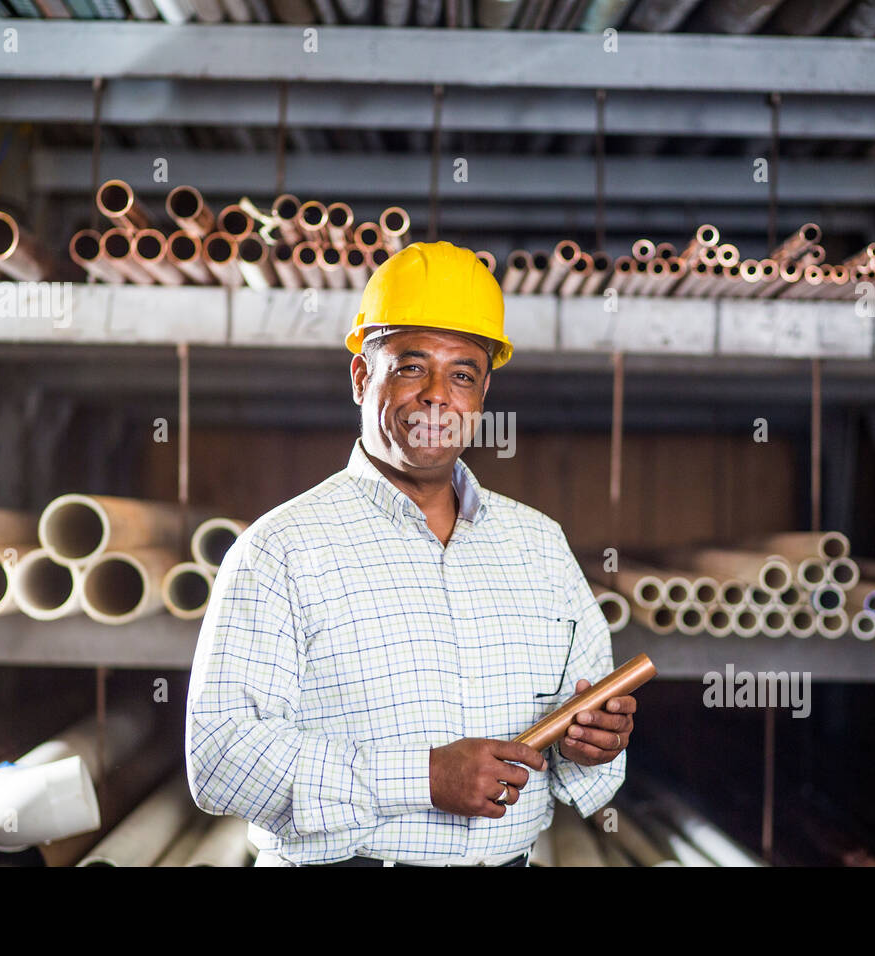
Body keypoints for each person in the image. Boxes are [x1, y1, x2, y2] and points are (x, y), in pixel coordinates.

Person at [185, 240, 636, 866]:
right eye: (409, 366)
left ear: (481, 397)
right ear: (362, 377)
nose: (435, 396)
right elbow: (220, 759)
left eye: (462, 374)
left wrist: (592, 747)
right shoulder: (281, 550)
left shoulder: (540, 547)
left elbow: (578, 755)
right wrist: (422, 778)